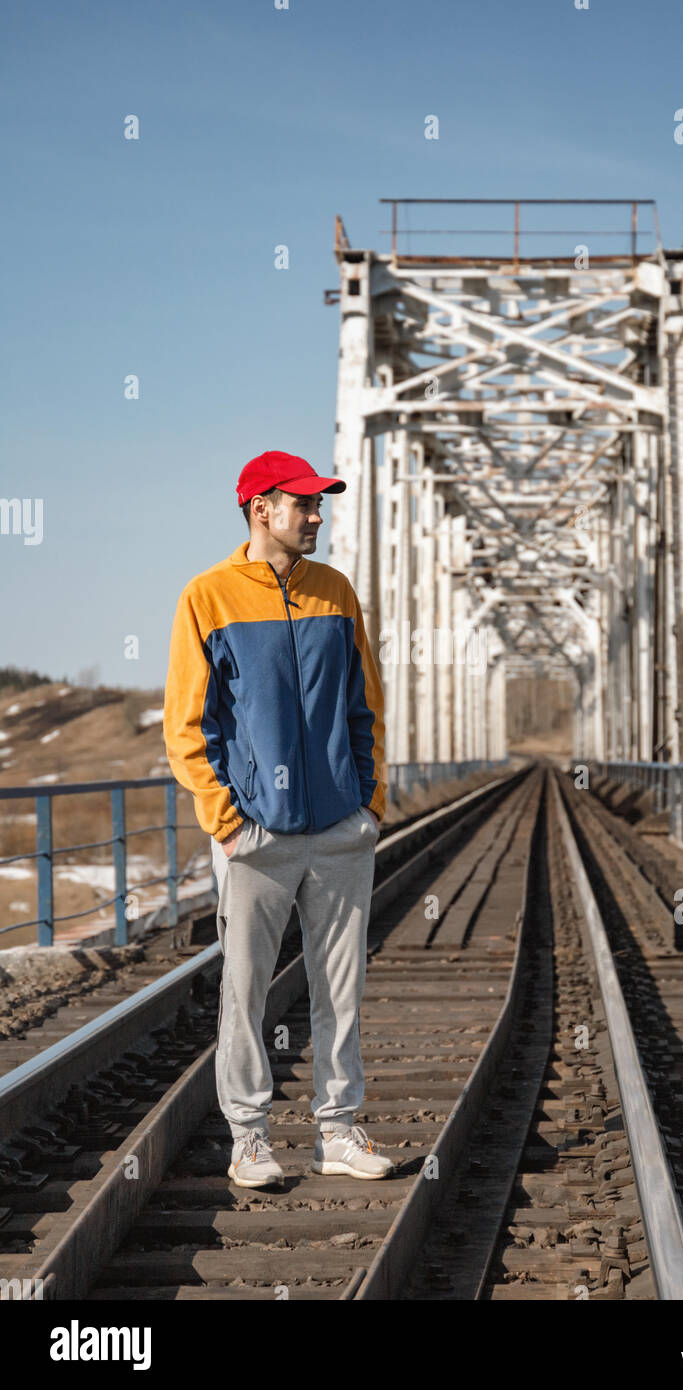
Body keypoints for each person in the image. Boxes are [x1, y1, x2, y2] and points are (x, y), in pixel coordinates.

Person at [163, 450, 395, 1187]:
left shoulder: (336, 593)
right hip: (255, 835)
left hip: (338, 829)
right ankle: (250, 1139)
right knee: (246, 989)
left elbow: (366, 707)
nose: (318, 516)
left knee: (341, 991)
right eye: (305, 504)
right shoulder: (208, 597)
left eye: (320, 504)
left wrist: (370, 802)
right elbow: (185, 727)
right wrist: (227, 821)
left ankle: (339, 1131)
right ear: (262, 509)